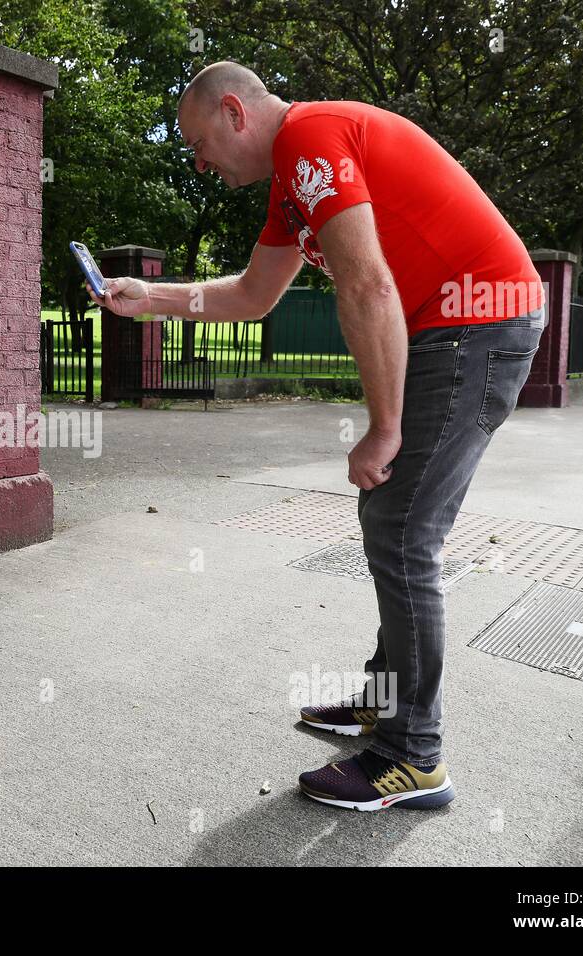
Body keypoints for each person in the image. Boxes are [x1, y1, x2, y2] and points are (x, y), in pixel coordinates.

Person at [92, 62, 545, 811]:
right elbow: (250, 296)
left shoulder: (309, 136)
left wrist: (385, 427)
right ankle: (387, 703)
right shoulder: (291, 183)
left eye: (200, 143)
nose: (199, 162)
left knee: (402, 531)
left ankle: (413, 755)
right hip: (455, 328)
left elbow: (365, 283)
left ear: (235, 112)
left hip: (477, 327)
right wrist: (151, 300)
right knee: (391, 522)